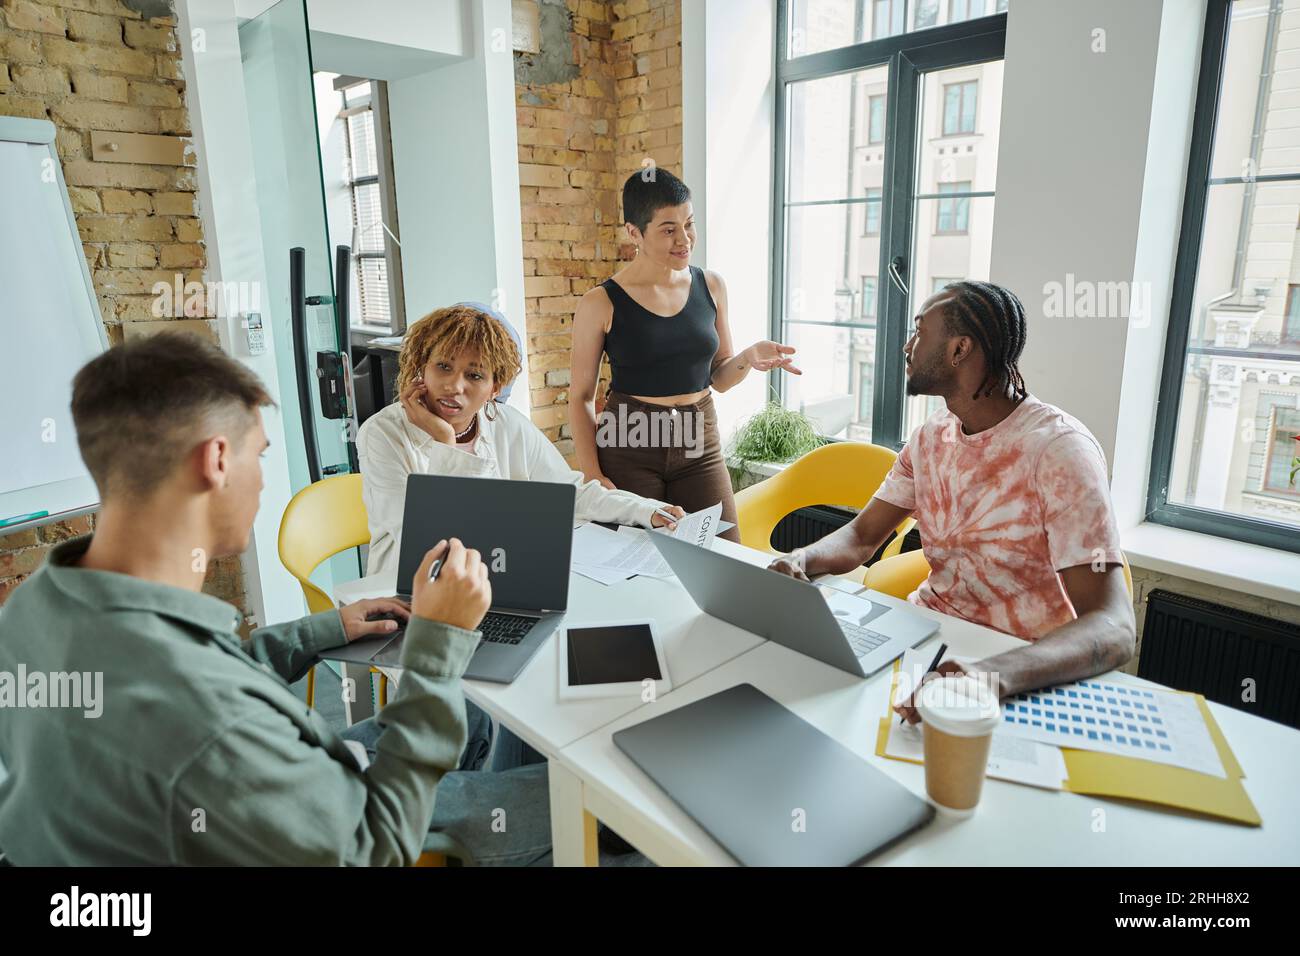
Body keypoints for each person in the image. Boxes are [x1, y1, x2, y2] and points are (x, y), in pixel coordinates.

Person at [0, 332, 556, 865]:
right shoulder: (208, 722)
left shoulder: (37, 603)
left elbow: (207, 673)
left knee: (474, 722)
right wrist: (439, 643)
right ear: (215, 461)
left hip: (225, 801)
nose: (263, 482)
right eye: (259, 456)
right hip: (348, 824)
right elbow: (373, 845)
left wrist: (327, 628)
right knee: (580, 803)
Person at [767, 281, 1136, 722]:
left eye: (920, 332)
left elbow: (1114, 628)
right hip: (927, 642)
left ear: (960, 349)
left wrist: (988, 676)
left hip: (1018, 668)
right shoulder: (929, 438)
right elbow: (862, 537)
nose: (907, 346)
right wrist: (802, 559)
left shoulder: (1060, 450)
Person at [357, 303, 685, 577]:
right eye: (443, 366)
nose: (454, 386)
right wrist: (446, 444)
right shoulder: (381, 435)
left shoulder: (507, 424)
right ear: (421, 368)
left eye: (474, 375)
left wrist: (647, 510)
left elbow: (570, 495)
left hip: (499, 575)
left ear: (495, 388)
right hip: (413, 589)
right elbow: (431, 541)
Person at [570, 168, 801, 543]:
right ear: (634, 233)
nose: (685, 239)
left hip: (700, 439)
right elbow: (580, 397)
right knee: (640, 561)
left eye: (689, 224)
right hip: (629, 441)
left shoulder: (711, 286)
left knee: (725, 553)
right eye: (668, 229)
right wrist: (593, 475)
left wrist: (747, 357)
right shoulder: (600, 302)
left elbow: (720, 379)